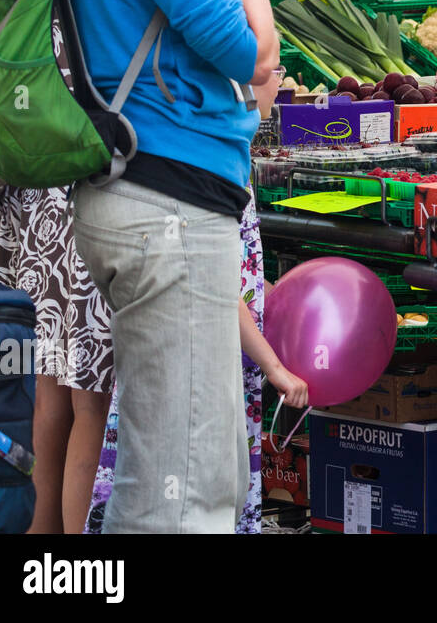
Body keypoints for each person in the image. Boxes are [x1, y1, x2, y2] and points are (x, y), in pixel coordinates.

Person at [62, 0, 282, 533]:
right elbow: (253, 56)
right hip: (167, 205)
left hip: (160, 200)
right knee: (181, 493)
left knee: (195, 467)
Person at [0, 0, 156, 536]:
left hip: (35, 152)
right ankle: (75, 561)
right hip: (93, 154)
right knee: (97, 384)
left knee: (56, 373)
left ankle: (40, 543)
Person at [86, 66, 308, 535]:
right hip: (204, 366)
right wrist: (274, 367)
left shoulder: (220, 158)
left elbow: (238, 283)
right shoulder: (218, 173)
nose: (281, 82)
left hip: (209, 359)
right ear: (237, 87)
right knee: (185, 492)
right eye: (275, 72)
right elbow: (218, 290)